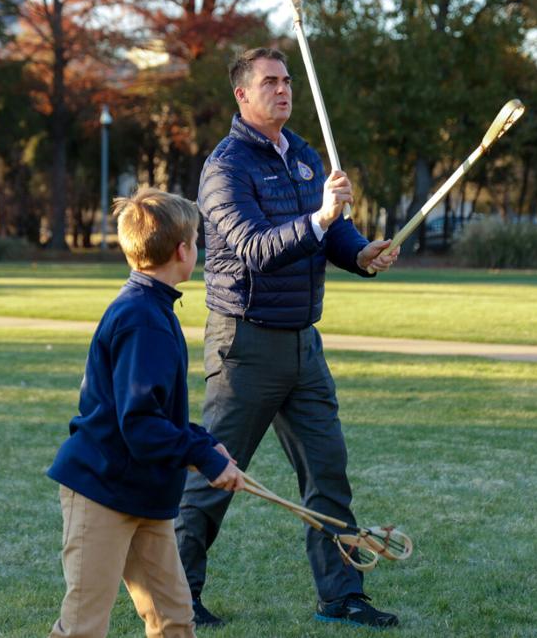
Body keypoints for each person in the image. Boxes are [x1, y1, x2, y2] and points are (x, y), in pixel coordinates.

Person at [175, 48, 402, 629]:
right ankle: (177, 596)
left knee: (328, 473)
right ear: (242, 95)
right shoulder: (224, 168)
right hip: (244, 346)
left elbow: (333, 233)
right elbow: (255, 249)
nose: (283, 90)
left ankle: (341, 595)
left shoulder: (302, 154)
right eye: (270, 82)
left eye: (287, 80)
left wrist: (360, 251)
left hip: (304, 346)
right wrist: (321, 220)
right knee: (215, 477)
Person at [46, 187, 244, 638]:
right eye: (197, 240)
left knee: (174, 619)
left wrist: (206, 443)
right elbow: (140, 424)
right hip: (102, 491)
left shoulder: (155, 307)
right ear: (183, 250)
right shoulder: (142, 317)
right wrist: (205, 457)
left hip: (145, 494)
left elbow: (155, 413)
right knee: (83, 626)